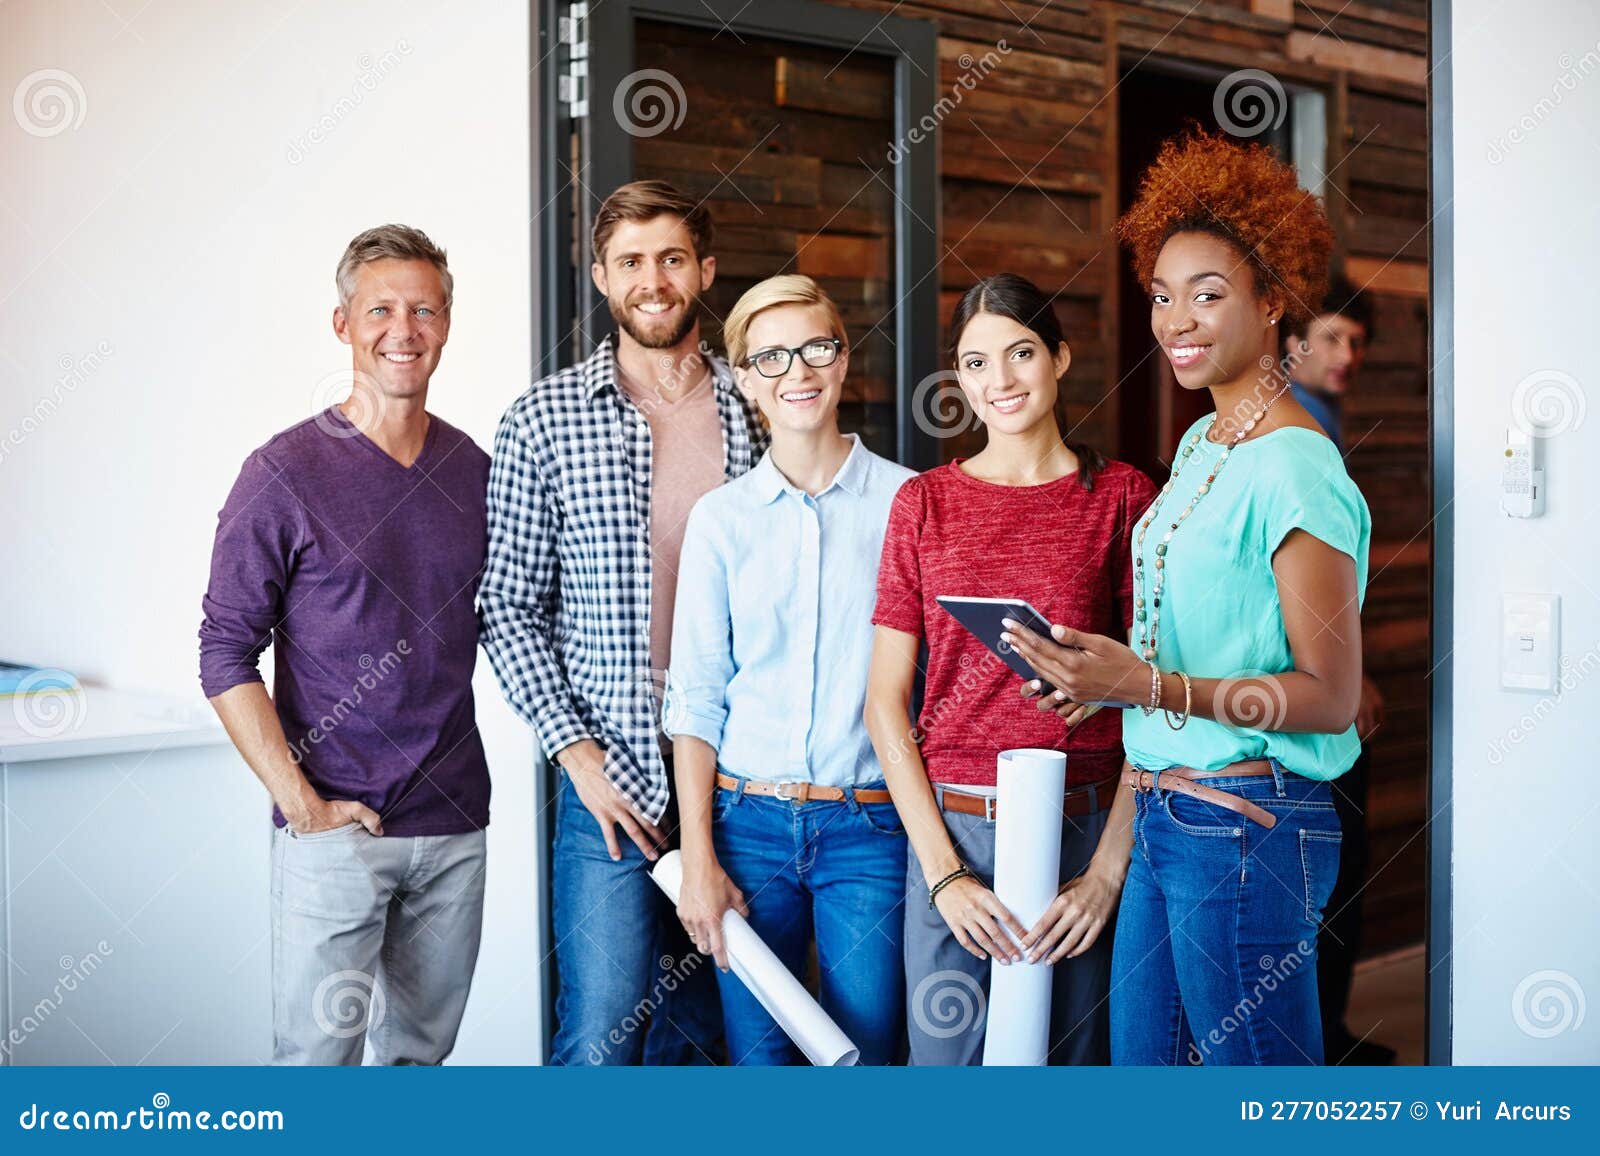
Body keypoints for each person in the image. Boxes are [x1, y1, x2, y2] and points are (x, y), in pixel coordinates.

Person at [1002, 130, 1372, 1066]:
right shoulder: (1205, 444)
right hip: (1167, 810)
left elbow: (1331, 695)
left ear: (1272, 300)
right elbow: (1189, 640)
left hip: (1247, 823)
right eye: (1162, 296)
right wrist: (1100, 677)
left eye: (1207, 294)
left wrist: (1147, 687)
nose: (1176, 321)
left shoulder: (1296, 467)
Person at [478, 180, 767, 1065]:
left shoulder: (757, 411)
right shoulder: (543, 419)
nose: (654, 280)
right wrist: (575, 754)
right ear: (603, 277)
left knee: (707, 1035)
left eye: (672, 258)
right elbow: (506, 607)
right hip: (612, 779)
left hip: (741, 777)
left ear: (704, 271)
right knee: (601, 1031)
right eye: (631, 262)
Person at [200, 225, 490, 1064]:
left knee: (418, 1068)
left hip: (454, 825)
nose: (404, 329)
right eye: (381, 310)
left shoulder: (474, 470)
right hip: (333, 834)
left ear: (447, 323)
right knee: (315, 1073)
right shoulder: (283, 472)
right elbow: (224, 651)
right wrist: (303, 807)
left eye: (424, 310)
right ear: (343, 324)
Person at [864, 272, 1158, 1066]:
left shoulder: (1123, 497)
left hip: (1083, 827)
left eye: (1021, 353)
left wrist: (1106, 873)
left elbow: (1154, 698)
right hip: (954, 830)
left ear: (1059, 357)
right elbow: (884, 704)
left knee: (1069, 1077)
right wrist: (943, 875)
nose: (1000, 379)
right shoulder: (923, 503)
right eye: (976, 362)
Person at [664, 274, 914, 1065]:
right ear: (745, 380)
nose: (796, 371)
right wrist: (698, 856)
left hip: (870, 827)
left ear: (844, 360)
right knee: (760, 1063)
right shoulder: (720, 520)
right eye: (769, 357)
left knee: (866, 1057)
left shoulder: (908, 504)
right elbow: (696, 698)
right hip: (747, 829)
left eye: (815, 348)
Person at [1283, 276, 1394, 1065]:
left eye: (1357, 340)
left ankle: (1327, 1031)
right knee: (1334, 862)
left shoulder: (1320, 421)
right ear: (1290, 346)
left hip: (1316, 684)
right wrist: (1348, 678)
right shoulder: (1300, 435)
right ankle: (1321, 1040)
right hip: (1312, 695)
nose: (1347, 354)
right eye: (1331, 337)